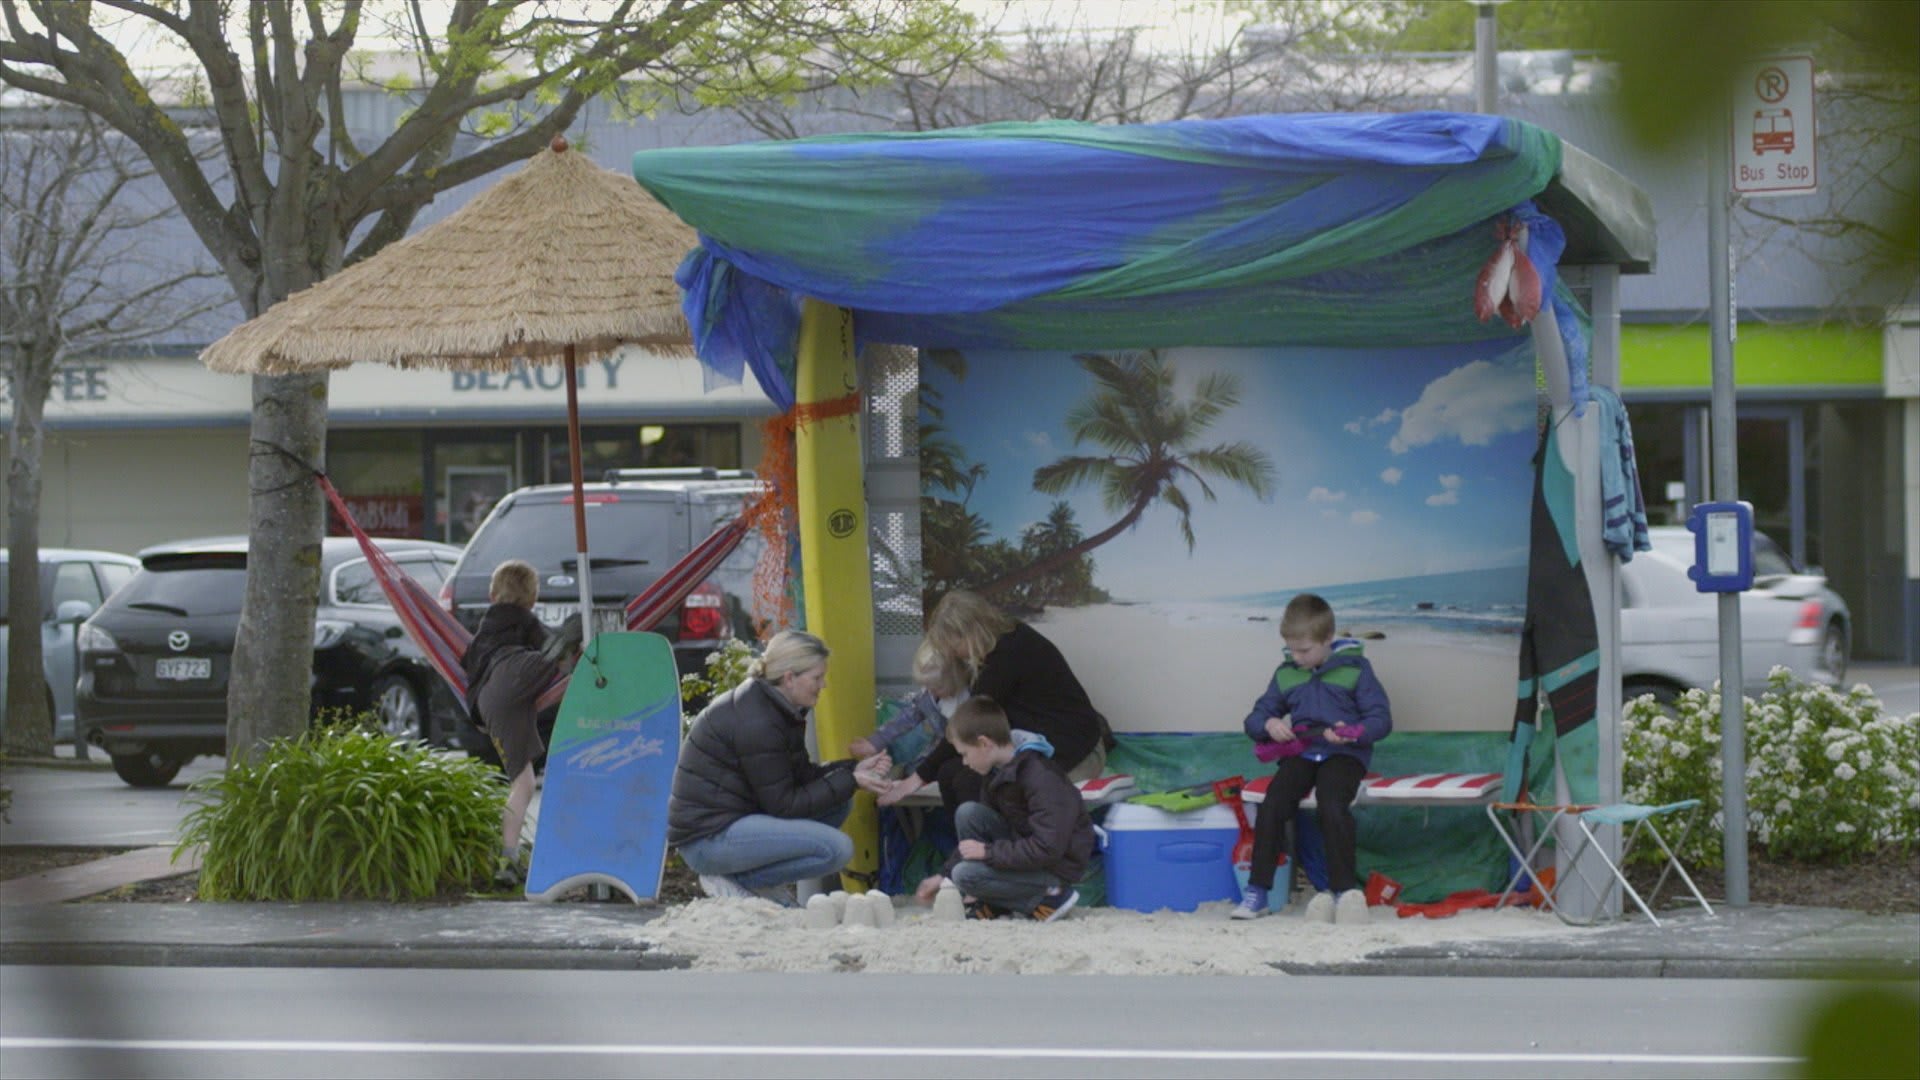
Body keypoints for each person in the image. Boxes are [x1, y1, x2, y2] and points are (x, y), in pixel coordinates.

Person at [668, 630, 891, 903]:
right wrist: (851, 780)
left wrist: (854, 770)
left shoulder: (773, 706)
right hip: (708, 840)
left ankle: (756, 882)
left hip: (729, 823)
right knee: (837, 849)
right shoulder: (758, 721)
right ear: (789, 678)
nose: (823, 686)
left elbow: (801, 777)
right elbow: (784, 804)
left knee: (839, 802)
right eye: (817, 678)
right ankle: (740, 881)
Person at [1233, 592, 1392, 925]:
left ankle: (1344, 892)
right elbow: (1255, 717)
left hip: (1345, 754)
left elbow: (1381, 720)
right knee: (1274, 802)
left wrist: (1352, 731)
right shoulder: (1286, 673)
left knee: (1332, 803)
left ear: (1328, 639)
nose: (1297, 656)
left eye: (1304, 650)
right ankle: (1257, 892)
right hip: (1302, 752)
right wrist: (1270, 724)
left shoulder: (1357, 669)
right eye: (1291, 648)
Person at [880, 590, 1112, 815]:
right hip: (1038, 745)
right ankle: (972, 846)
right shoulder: (1001, 642)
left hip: (1075, 750)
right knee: (951, 773)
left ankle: (994, 848)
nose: (953, 653)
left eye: (953, 645)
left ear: (968, 633)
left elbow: (969, 724)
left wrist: (916, 779)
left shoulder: (1007, 655)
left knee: (976, 782)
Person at [913, 696, 1092, 922]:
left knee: (966, 875)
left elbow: (1048, 848)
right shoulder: (997, 772)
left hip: (1055, 867)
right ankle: (994, 903)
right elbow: (978, 837)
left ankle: (1048, 898)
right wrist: (942, 876)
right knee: (969, 813)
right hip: (1027, 853)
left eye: (965, 754)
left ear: (985, 744)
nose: (965, 763)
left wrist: (987, 853)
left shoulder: (1041, 777)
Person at [461, 559, 582, 887]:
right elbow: (538, 644)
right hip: (513, 672)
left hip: (492, 704)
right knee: (550, 655)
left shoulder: (485, 627)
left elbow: (466, 660)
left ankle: (508, 859)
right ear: (532, 599)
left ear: (491, 593)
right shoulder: (524, 620)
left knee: (524, 783)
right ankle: (570, 643)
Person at [849, 639, 969, 777]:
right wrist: (876, 741)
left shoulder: (966, 702)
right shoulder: (929, 696)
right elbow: (907, 718)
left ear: (958, 678)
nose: (932, 691)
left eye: (938, 687)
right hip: (937, 749)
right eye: (928, 686)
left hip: (962, 752)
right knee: (911, 771)